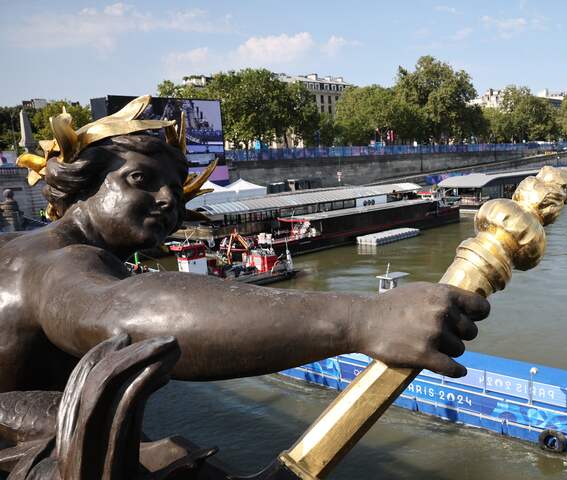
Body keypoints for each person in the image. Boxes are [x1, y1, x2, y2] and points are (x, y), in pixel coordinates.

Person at [0, 97, 489, 440]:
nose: (168, 198)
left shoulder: (17, 246)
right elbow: (122, 314)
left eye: (176, 187)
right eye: (140, 180)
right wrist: (364, 319)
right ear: (80, 185)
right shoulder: (65, 262)